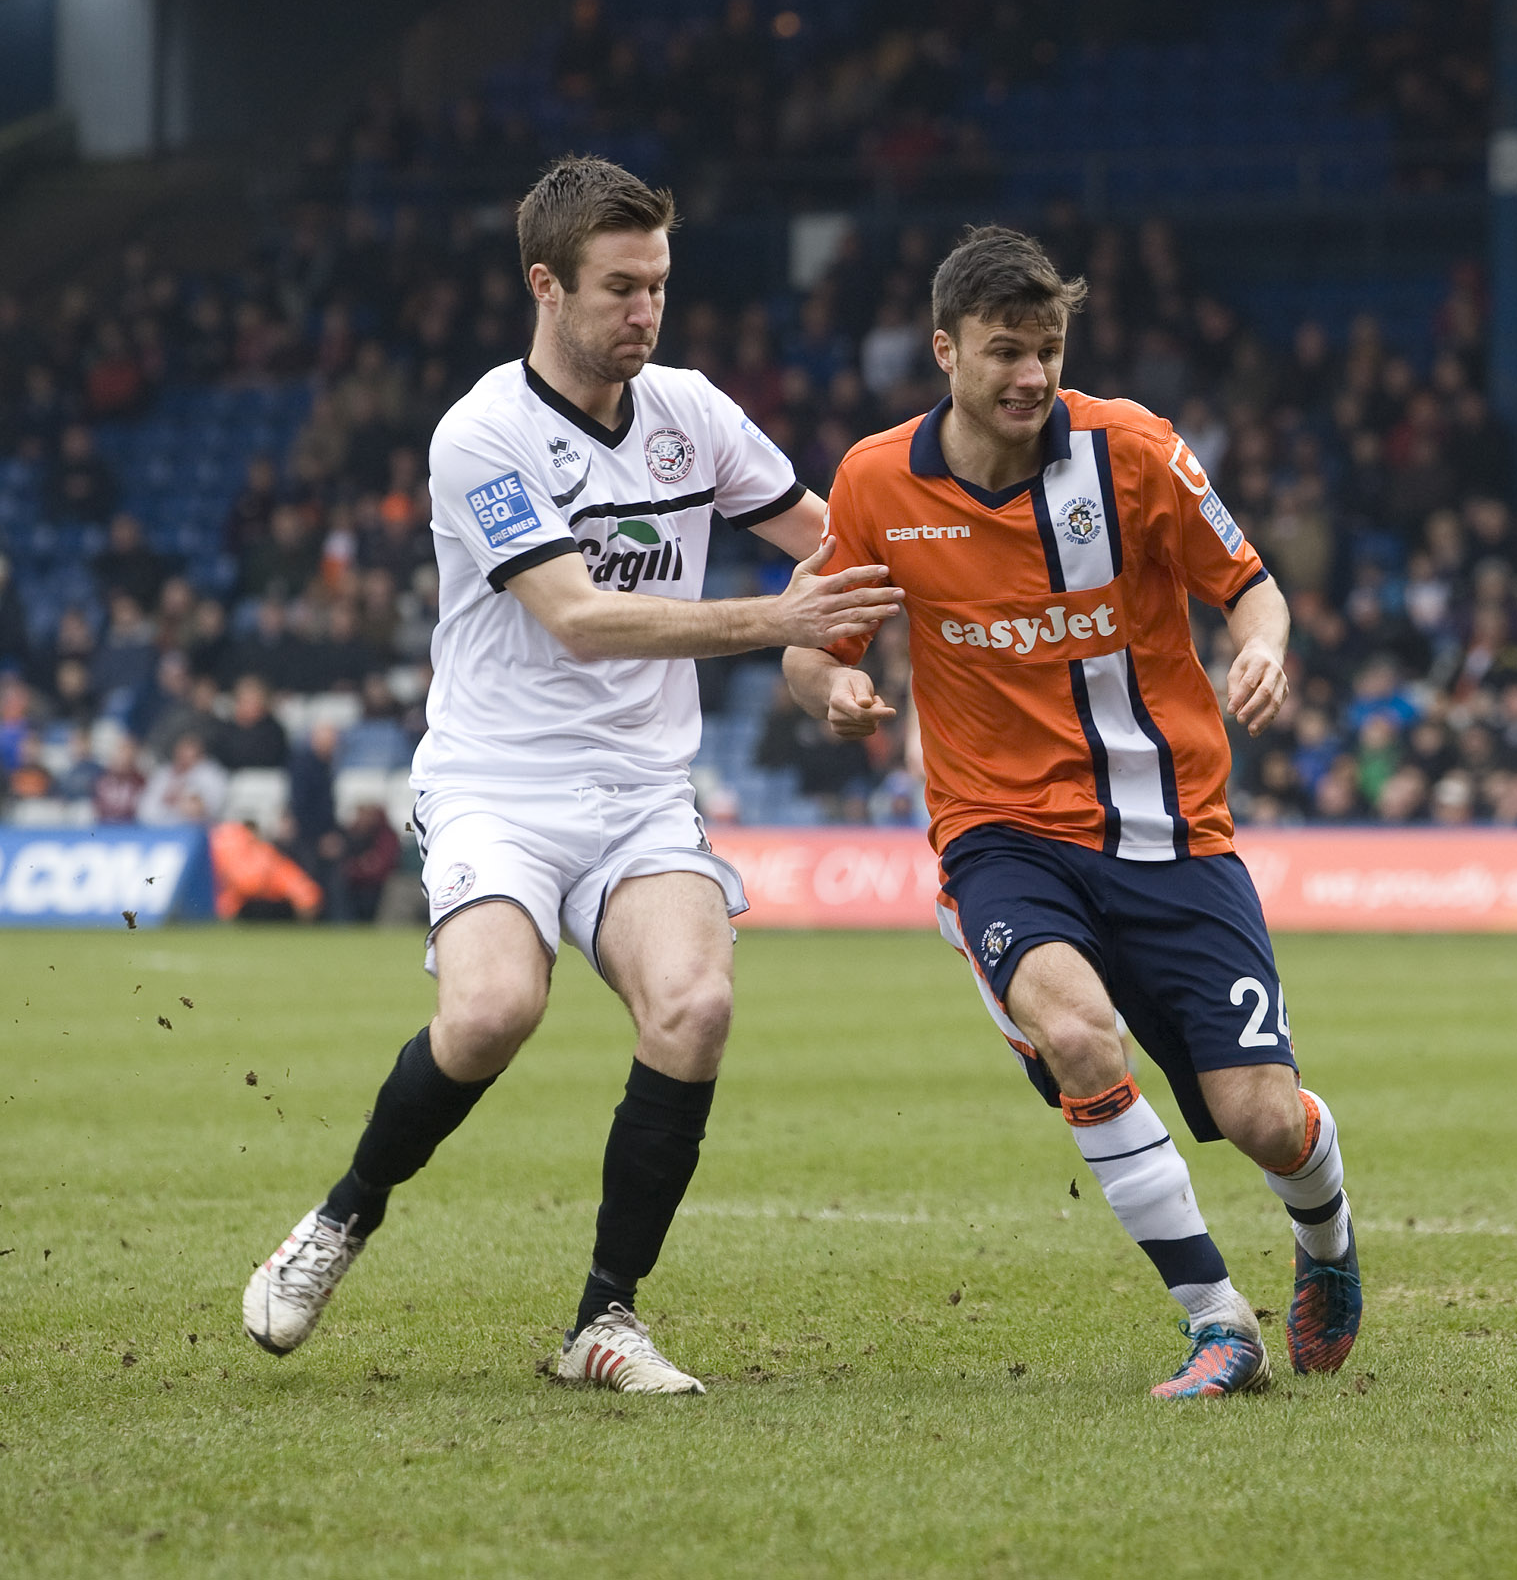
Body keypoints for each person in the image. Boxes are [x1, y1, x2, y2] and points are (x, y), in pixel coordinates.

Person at [240, 156, 903, 1394]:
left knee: (693, 1006)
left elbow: (839, 552)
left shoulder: (695, 412)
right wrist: (780, 626)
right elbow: (582, 617)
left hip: (640, 790)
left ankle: (606, 1317)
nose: (644, 312)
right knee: (493, 1011)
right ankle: (345, 1211)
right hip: (495, 779)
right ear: (545, 284)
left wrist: (834, 667)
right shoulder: (481, 433)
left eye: (657, 284)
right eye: (618, 288)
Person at [783, 225, 1359, 1400]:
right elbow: (812, 645)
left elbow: (1251, 589)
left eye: (1047, 349)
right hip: (999, 832)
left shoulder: (1135, 450)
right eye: (1004, 351)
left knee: (1260, 1116)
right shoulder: (875, 482)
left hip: (1175, 830)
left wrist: (1265, 651)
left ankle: (1328, 1240)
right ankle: (1217, 1320)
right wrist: (835, 685)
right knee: (1079, 1031)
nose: (1030, 375)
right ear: (944, 349)